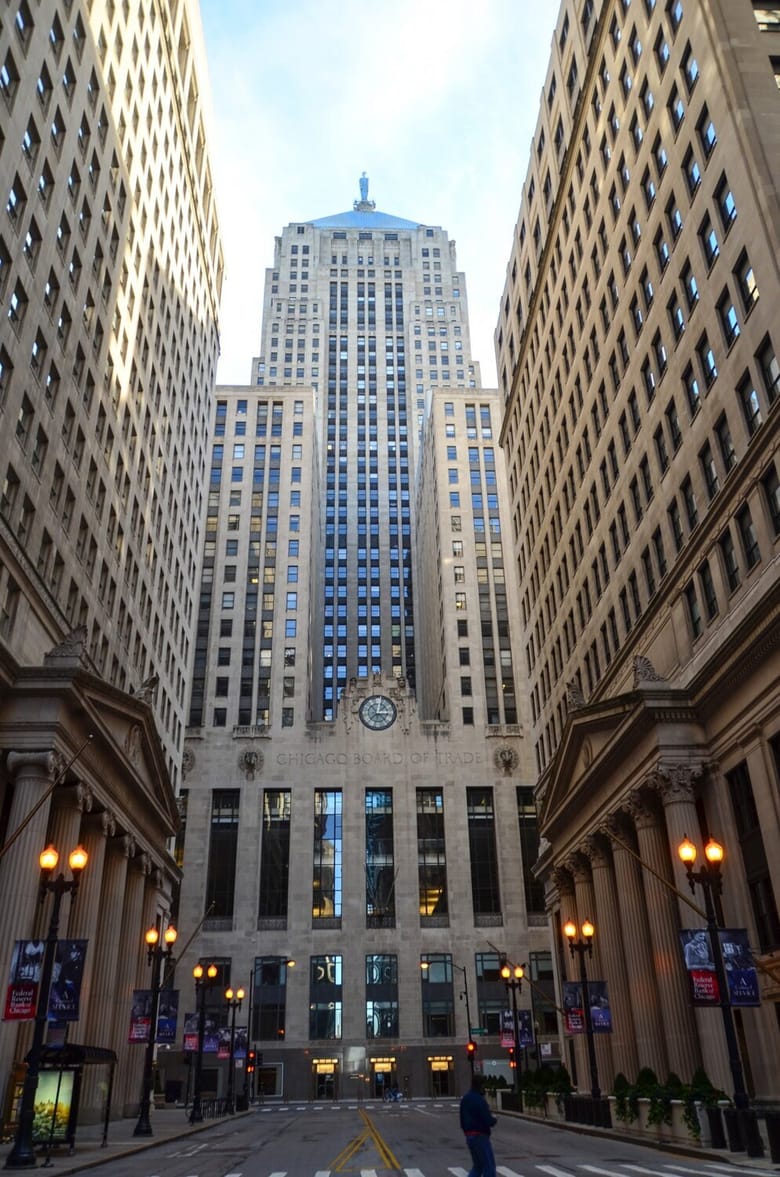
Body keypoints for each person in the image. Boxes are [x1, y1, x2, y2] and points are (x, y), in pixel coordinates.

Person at [459, 1073, 497, 1177]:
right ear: (481, 1086)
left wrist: (466, 1131)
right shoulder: (480, 1100)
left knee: (478, 1166)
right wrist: (494, 1119)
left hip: (469, 1135)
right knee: (489, 1167)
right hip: (480, 1135)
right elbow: (488, 1120)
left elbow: (462, 1119)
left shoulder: (465, 1099)